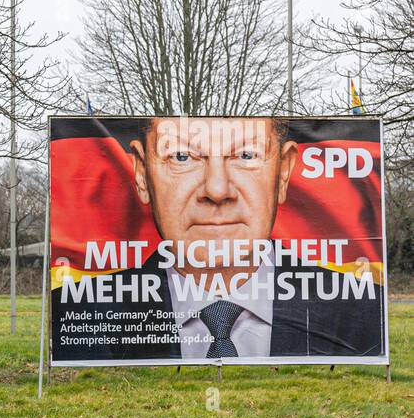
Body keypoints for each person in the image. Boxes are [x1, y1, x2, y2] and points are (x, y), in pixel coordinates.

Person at [53, 116, 384, 360]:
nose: (216, 190)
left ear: (283, 172)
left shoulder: (360, 311)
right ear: (142, 174)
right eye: (182, 157)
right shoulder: (83, 312)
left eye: (245, 156)